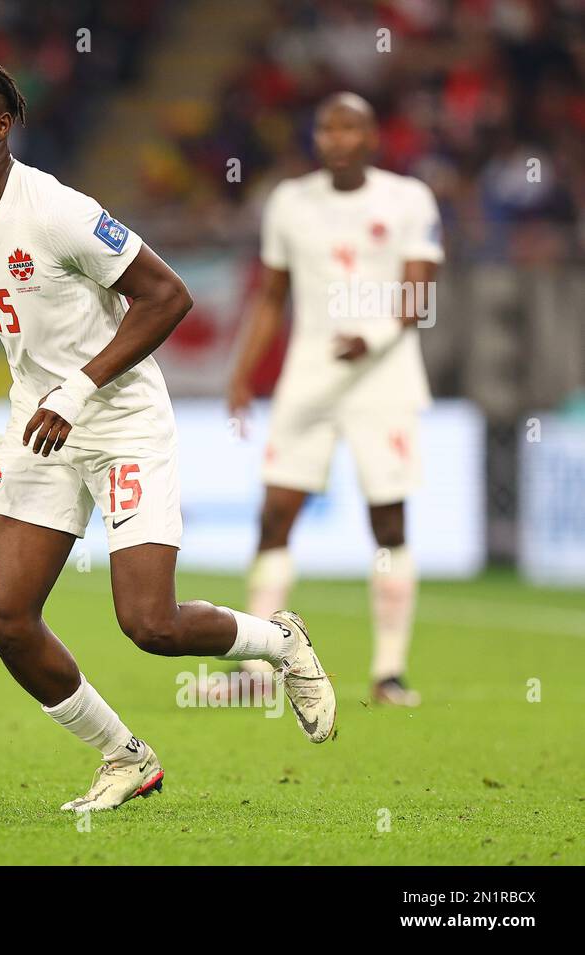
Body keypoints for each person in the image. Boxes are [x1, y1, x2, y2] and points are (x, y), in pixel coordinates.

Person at [0, 61, 336, 813]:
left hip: (119, 418)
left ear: (0, 126)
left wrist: (79, 388)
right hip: (39, 424)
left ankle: (279, 641)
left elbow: (167, 297)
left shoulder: (56, 209)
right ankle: (126, 756)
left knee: (149, 623)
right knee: (5, 618)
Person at [227, 92, 444, 707]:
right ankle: (259, 669)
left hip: (385, 379)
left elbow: (419, 294)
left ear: (373, 138)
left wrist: (369, 334)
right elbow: (272, 297)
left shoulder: (409, 199)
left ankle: (388, 672)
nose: (338, 138)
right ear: (316, 137)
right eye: (327, 128)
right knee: (275, 514)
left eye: (351, 128)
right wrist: (242, 371)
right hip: (310, 378)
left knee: (388, 521)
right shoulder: (290, 202)